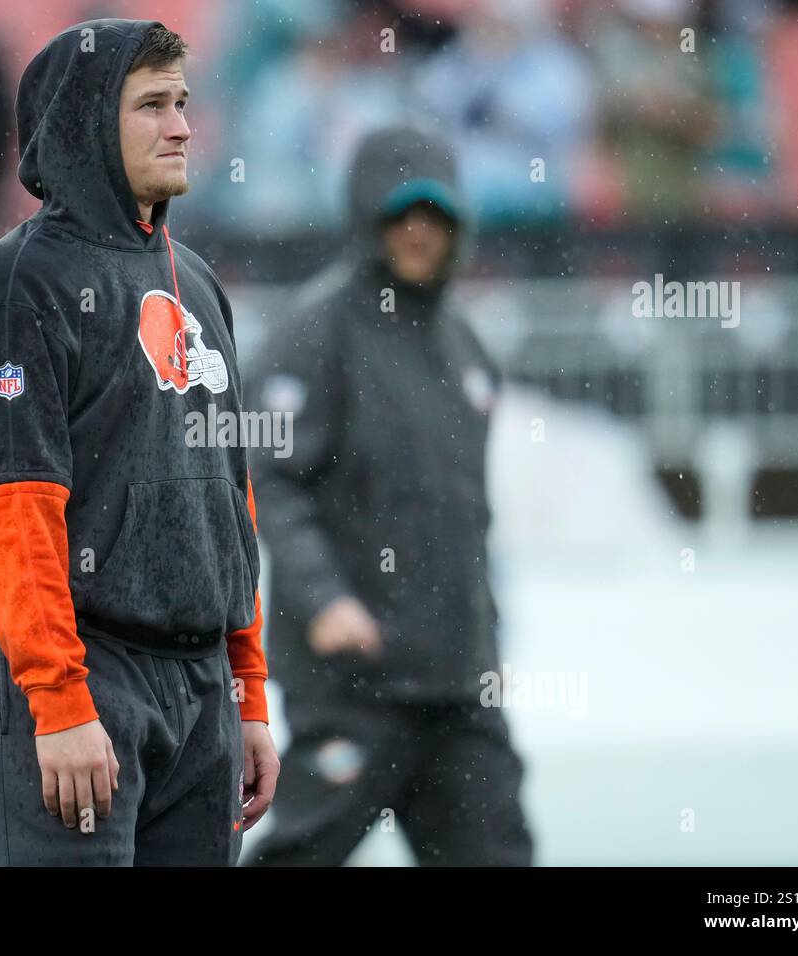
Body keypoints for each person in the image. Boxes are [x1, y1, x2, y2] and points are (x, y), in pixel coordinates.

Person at [0, 19, 278, 866]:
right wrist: (59, 701)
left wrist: (249, 696)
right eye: (153, 105)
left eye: (185, 102)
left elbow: (228, 505)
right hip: (79, 675)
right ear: (87, 121)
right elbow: (8, 512)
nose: (183, 126)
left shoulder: (197, 281)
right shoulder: (13, 287)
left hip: (199, 682)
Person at [245, 124, 533, 866]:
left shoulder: (466, 348)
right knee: (303, 852)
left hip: (458, 686)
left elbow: (472, 516)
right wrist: (327, 599)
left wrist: (488, 638)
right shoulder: (314, 335)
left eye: (434, 218)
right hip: (353, 681)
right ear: (366, 220)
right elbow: (267, 480)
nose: (417, 233)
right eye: (400, 215)